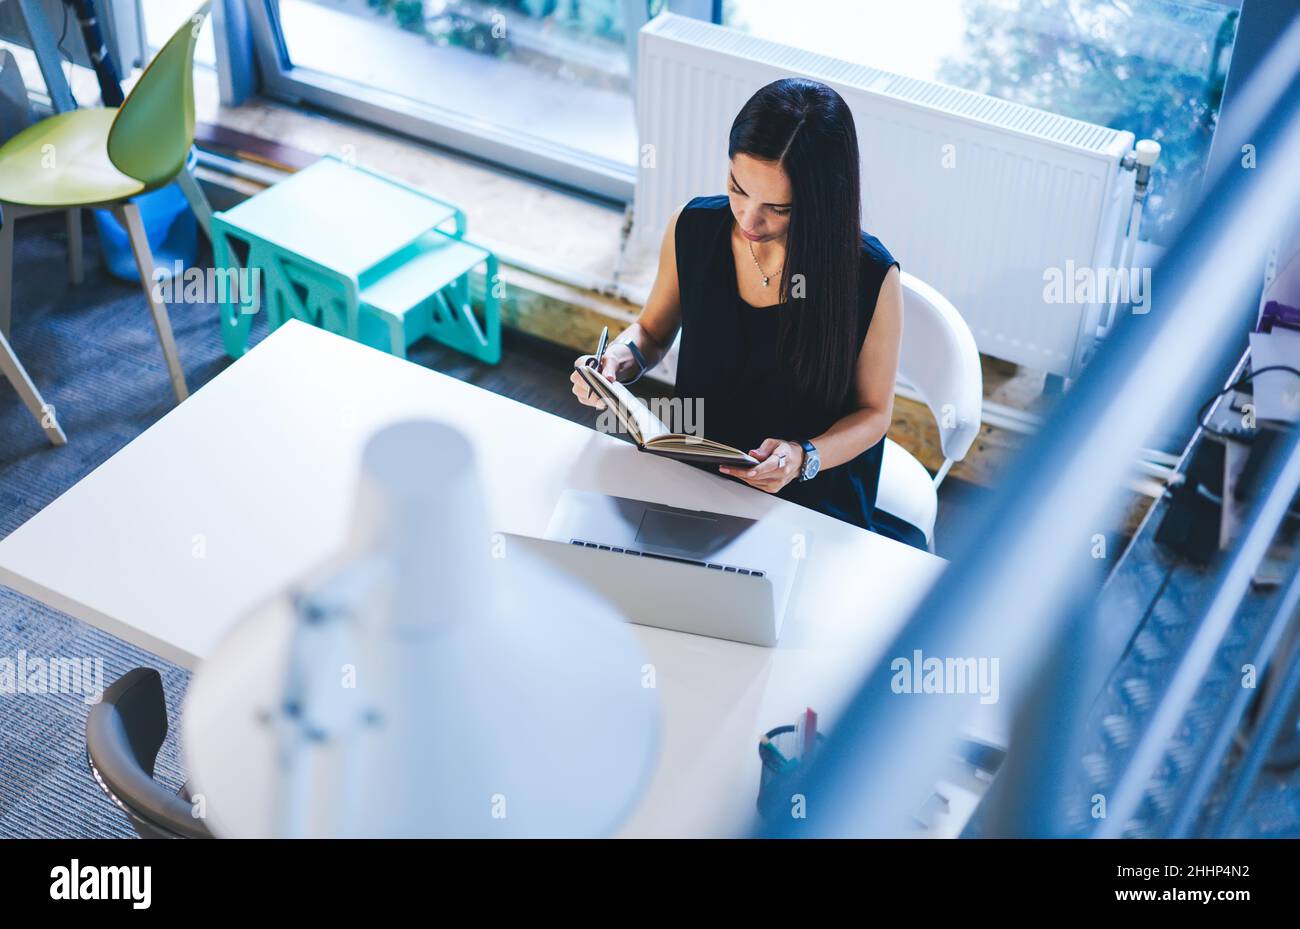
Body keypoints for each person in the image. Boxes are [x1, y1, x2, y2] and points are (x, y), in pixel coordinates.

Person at [571, 77, 918, 544]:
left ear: (821, 202)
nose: (748, 219)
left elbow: (874, 414)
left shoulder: (869, 275)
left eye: (777, 208)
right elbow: (652, 333)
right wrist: (616, 360)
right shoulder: (693, 228)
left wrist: (801, 457)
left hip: (807, 493)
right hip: (695, 466)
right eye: (737, 188)